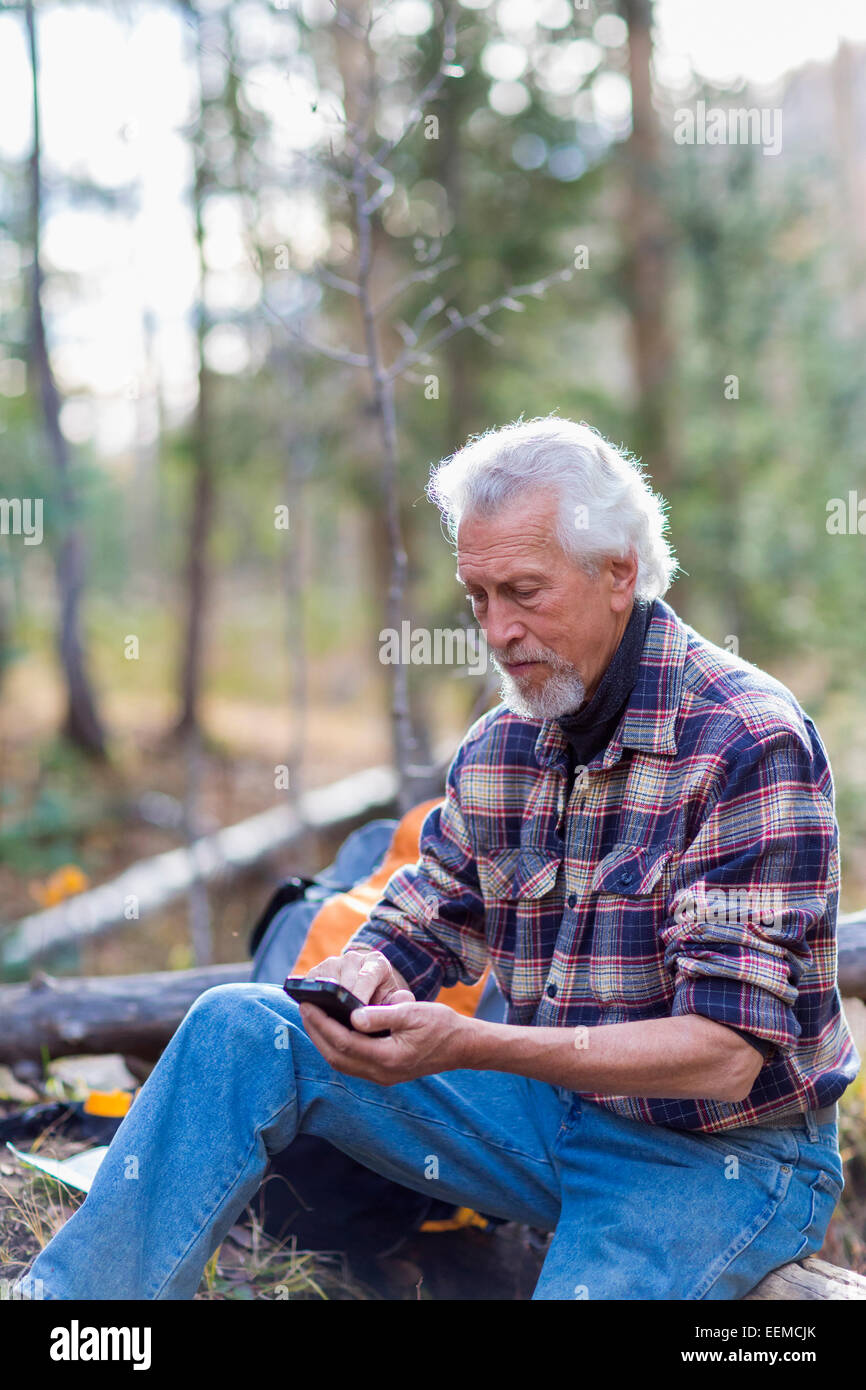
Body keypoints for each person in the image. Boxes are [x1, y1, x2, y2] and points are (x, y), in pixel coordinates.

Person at [16, 415, 859, 1301]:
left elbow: (723, 1054)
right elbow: (429, 917)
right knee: (241, 1026)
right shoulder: (506, 742)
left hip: (721, 1158)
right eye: (478, 597)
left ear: (619, 574)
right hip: (551, 1117)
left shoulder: (747, 741)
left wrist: (476, 1042)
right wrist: (365, 971)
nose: (497, 631)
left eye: (524, 592)